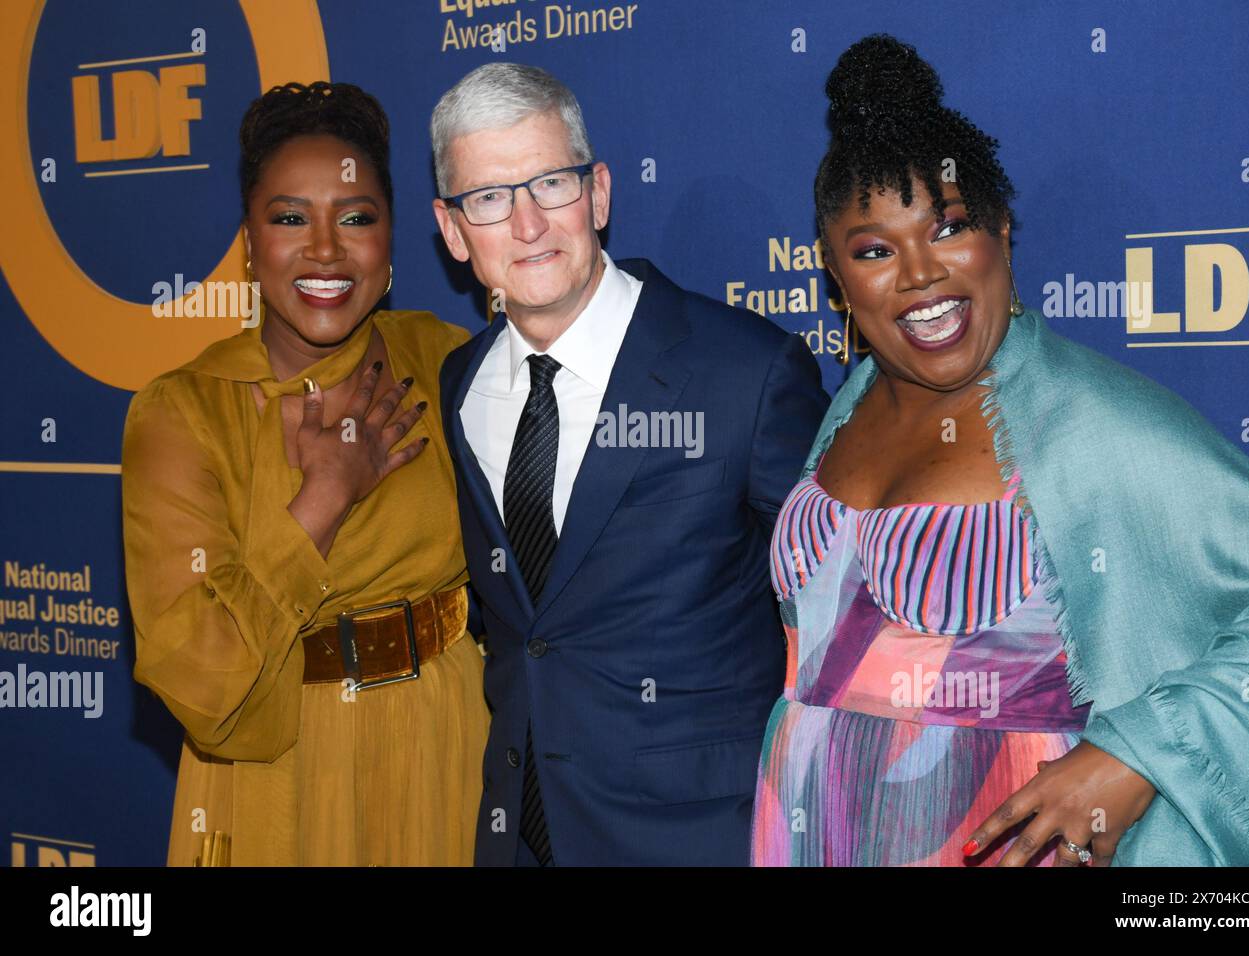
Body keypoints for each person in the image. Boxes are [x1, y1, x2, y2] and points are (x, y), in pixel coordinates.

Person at [752, 34, 1249, 867]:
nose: (920, 273)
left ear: (1004, 234)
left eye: (950, 228)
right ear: (833, 278)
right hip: (807, 831)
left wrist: (1138, 753)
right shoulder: (847, 409)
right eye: (873, 250)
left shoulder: (1097, 425)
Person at [430, 63, 829, 866]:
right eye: (490, 199)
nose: (528, 224)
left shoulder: (744, 373)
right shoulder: (462, 385)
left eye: (552, 184)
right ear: (452, 231)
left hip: (699, 839)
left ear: (600, 193)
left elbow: (843, 611)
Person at [122, 81, 489, 866]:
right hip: (277, 775)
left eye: (356, 218)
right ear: (250, 243)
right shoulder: (183, 414)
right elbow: (200, 677)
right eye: (290, 218)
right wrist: (324, 497)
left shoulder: (445, 358)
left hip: (447, 744)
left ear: (392, 241)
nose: (325, 250)